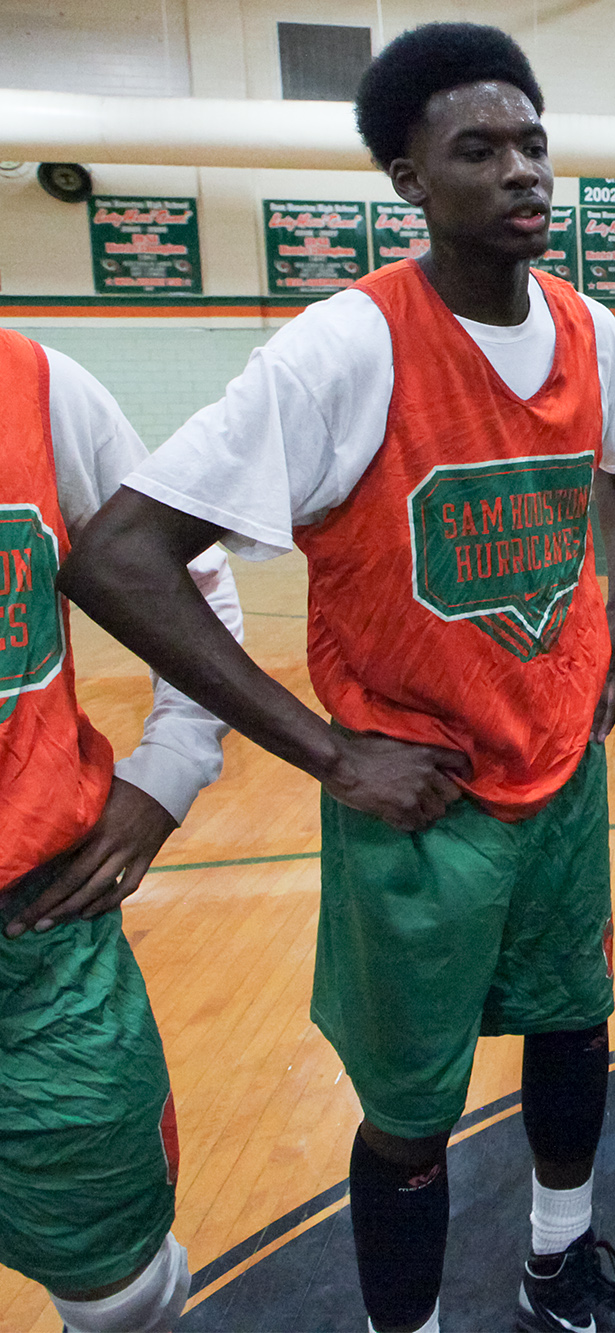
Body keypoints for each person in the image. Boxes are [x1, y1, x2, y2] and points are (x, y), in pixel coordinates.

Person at [59, 24, 615, 1333]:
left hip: (560, 774)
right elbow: (119, 557)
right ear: (408, 180)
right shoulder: (346, 347)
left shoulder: (592, 328)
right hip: (419, 801)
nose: (524, 174)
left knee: (577, 1023)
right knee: (409, 1115)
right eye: (480, 151)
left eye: (535, 145)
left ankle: (559, 1255)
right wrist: (333, 754)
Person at [0, 333, 238, 1333]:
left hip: (36, 941)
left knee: (125, 1288)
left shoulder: (38, 389)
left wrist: (173, 763)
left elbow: (186, 572)